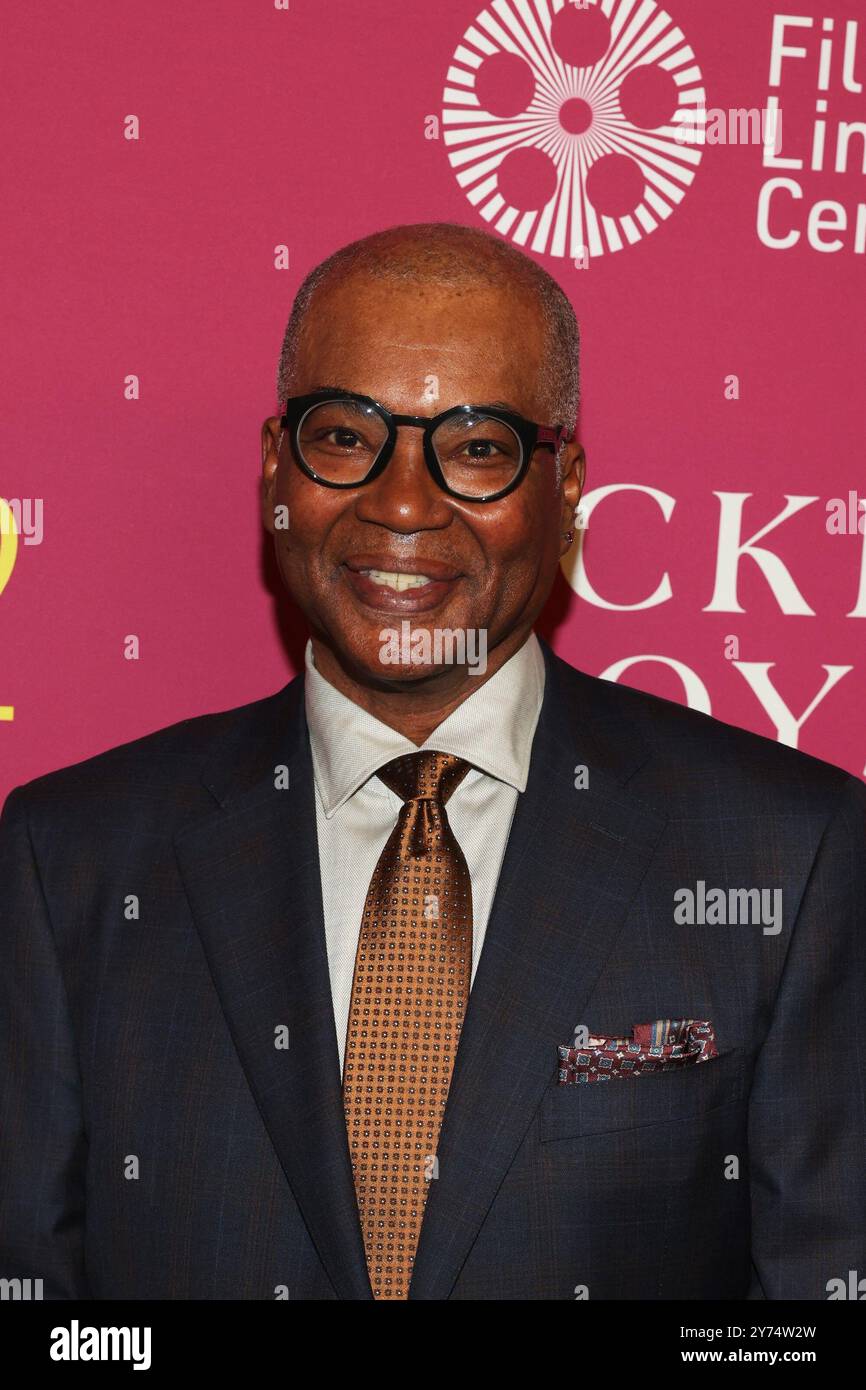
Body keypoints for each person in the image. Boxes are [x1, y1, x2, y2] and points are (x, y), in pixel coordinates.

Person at [1, 222, 864, 1301]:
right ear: (276, 466)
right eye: (345, 435)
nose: (401, 504)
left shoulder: (790, 852)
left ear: (565, 490)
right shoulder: (68, 859)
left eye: (476, 446)